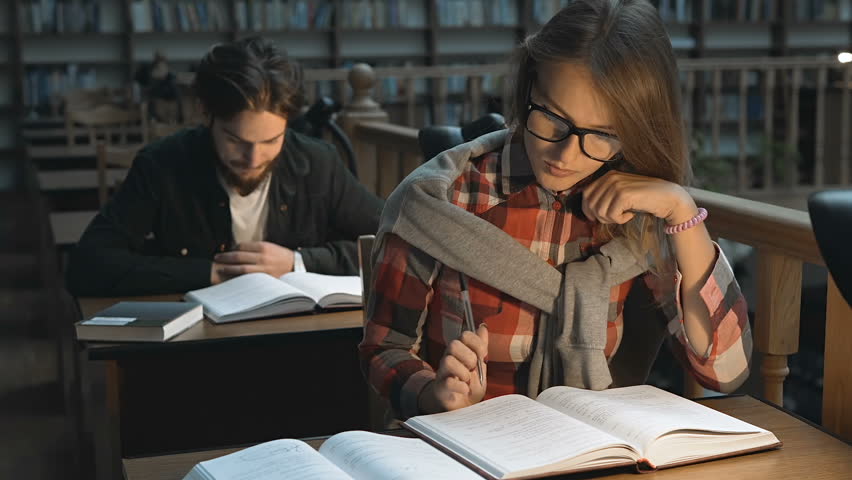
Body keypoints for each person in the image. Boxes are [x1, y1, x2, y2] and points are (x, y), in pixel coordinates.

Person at [360, 0, 751, 420]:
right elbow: (387, 347)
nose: (565, 155)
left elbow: (727, 371)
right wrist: (433, 395)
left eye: (603, 134)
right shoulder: (440, 200)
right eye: (550, 118)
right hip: (468, 443)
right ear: (528, 89)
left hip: (596, 446)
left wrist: (681, 209)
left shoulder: (643, 209)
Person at [66, 37, 383, 296]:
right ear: (205, 113)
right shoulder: (161, 165)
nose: (253, 158)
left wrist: (298, 262)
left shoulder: (317, 162)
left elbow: (396, 242)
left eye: (272, 141)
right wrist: (212, 272)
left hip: (300, 339)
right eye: (236, 140)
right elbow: (87, 266)